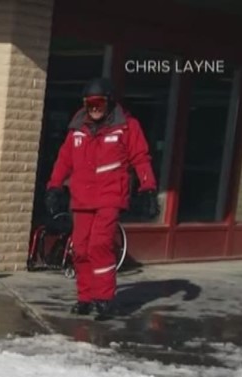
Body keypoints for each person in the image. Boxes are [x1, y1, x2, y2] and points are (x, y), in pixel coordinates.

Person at [45, 77, 158, 318]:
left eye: (99, 103)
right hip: (82, 197)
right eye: (89, 103)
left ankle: (104, 298)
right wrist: (54, 186)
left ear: (109, 102)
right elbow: (64, 159)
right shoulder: (77, 127)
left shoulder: (126, 126)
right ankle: (85, 298)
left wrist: (148, 187)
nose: (94, 108)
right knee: (81, 249)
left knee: (100, 245)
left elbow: (140, 157)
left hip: (110, 195)